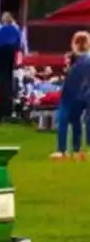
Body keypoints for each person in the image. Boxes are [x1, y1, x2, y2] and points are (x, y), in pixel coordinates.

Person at [52, 31, 90, 161]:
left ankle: (65, 150)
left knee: (66, 120)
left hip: (73, 93)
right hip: (77, 93)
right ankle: (74, 150)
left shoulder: (82, 59)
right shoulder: (76, 58)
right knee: (73, 120)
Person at [0, 12, 23, 123]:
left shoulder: (0, 31)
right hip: (8, 56)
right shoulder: (15, 30)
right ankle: (6, 110)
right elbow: (18, 45)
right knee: (7, 82)